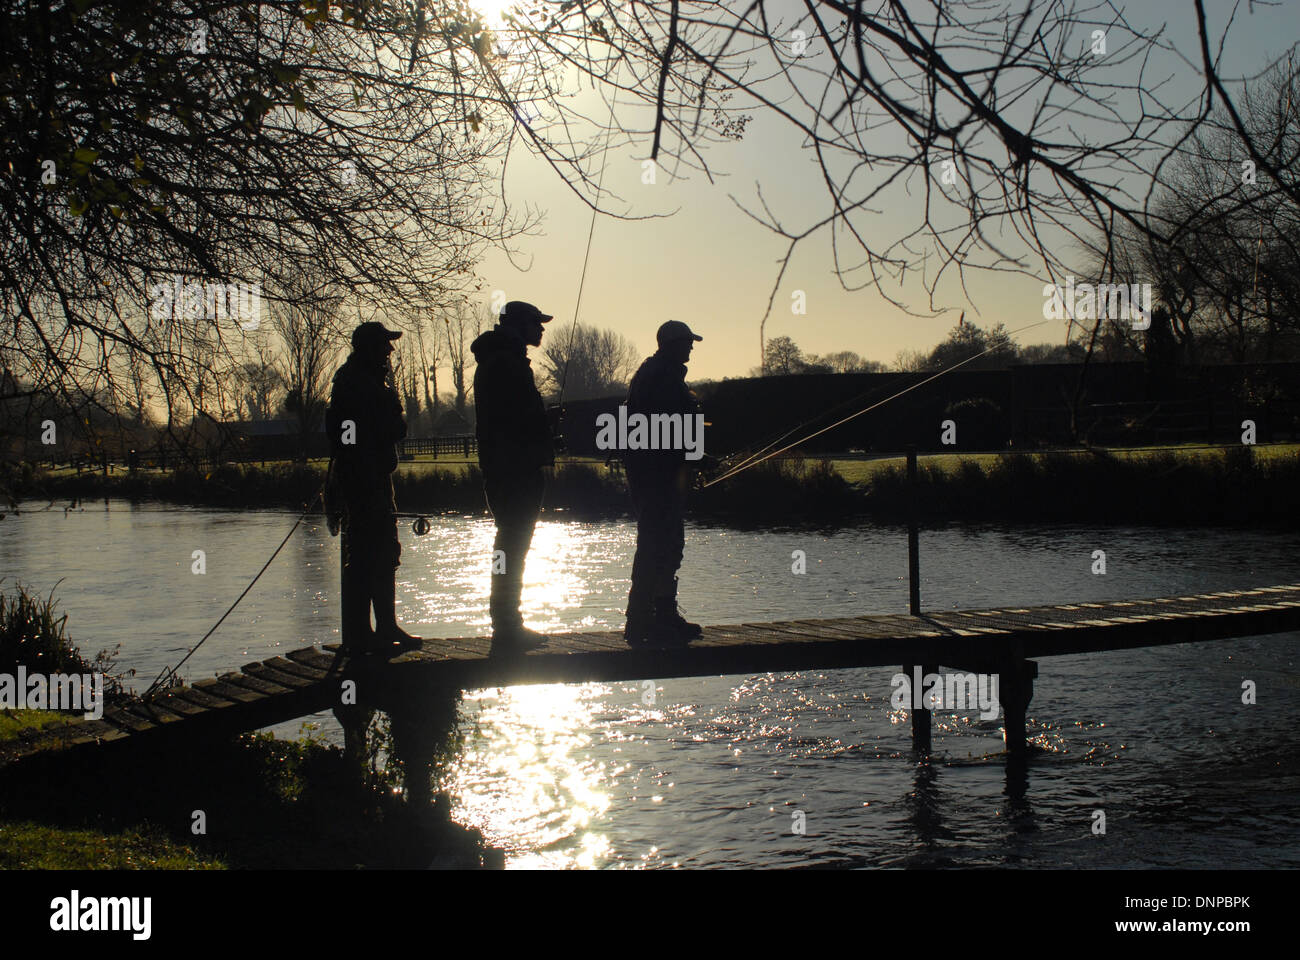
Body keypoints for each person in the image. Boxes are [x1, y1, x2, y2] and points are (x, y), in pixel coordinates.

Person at [326, 321, 422, 656]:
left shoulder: (359, 381)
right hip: (365, 482)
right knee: (368, 555)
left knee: (383, 554)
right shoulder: (358, 384)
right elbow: (361, 433)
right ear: (369, 348)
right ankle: (363, 633)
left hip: (371, 478)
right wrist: (359, 465)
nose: (390, 350)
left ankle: (382, 628)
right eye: (385, 344)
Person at [471, 301, 555, 653]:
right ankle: (507, 628)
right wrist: (543, 426)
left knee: (509, 548)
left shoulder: (501, 359)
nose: (542, 329)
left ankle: (507, 625)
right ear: (520, 325)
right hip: (514, 471)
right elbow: (515, 420)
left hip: (508, 469)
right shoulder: (507, 363)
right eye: (537, 323)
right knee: (511, 548)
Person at [623, 320, 705, 646]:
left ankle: (662, 615)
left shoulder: (661, 374)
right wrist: (693, 457)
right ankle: (641, 622)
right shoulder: (662, 378)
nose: (691, 347)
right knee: (655, 547)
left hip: (658, 474)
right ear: (670, 344)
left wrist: (695, 458)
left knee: (668, 547)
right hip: (656, 477)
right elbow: (667, 433)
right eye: (687, 342)